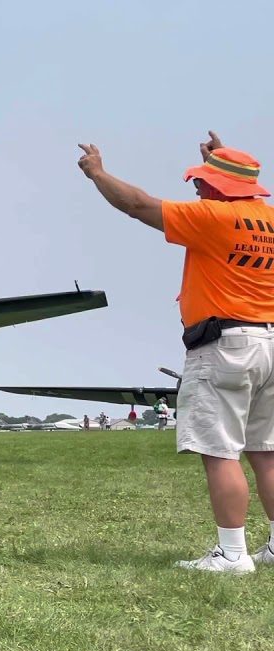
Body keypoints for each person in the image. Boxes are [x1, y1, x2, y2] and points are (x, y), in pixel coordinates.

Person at [78, 131, 274, 573]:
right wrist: (219, 162)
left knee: (221, 451)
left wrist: (98, 174)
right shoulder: (269, 219)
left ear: (217, 189)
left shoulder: (212, 218)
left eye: (202, 182)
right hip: (271, 340)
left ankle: (232, 555)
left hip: (226, 346)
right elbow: (228, 193)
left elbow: (138, 205)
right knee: (267, 451)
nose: (197, 188)